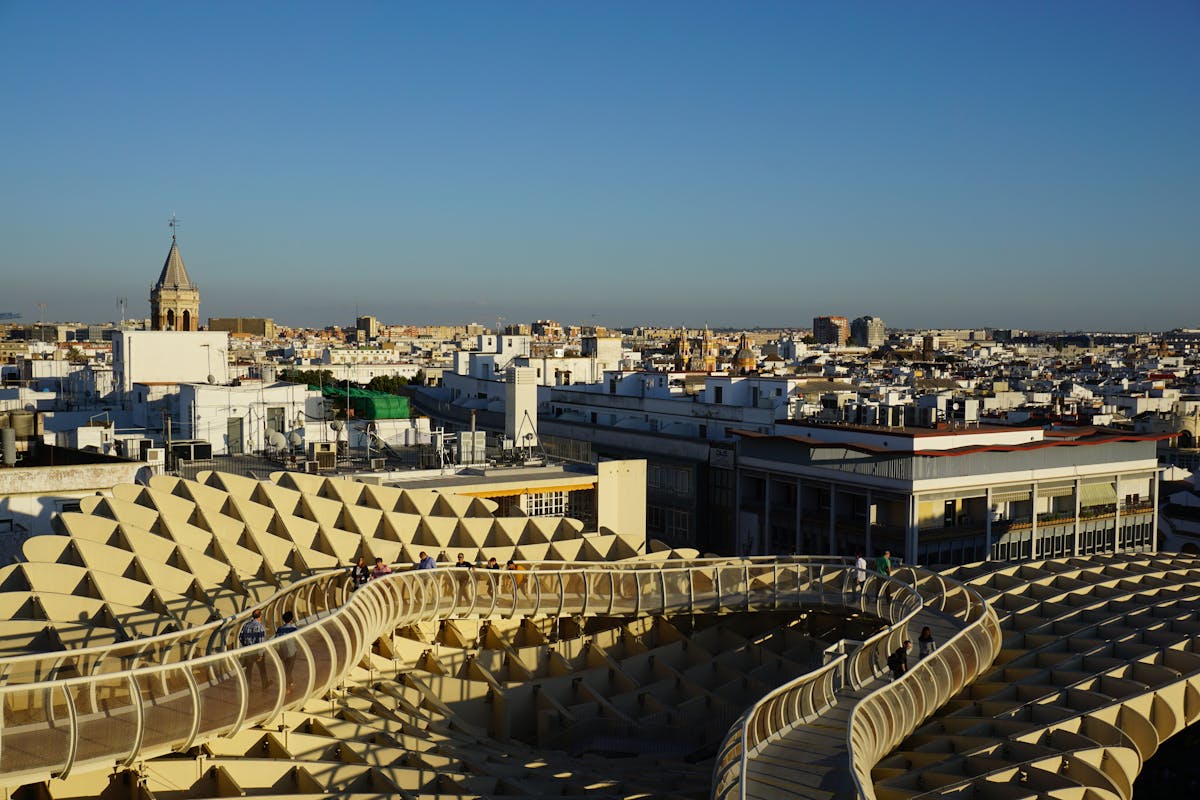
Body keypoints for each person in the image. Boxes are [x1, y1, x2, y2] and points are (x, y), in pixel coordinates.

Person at [238, 608, 270, 687]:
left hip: (248, 651)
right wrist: (261, 654)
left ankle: (248, 686)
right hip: (256, 651)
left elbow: (240, 637)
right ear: (260, 616)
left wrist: (246, 645)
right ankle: (265, 683)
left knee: (248, 670)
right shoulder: (260, 627)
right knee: (262, 668)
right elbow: (261, 641)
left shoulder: (246, 625)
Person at [275, 610, 299, 691]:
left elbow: (276, 640)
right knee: (288, 670)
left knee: (287, 668)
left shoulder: (279, 629)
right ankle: (287, 688)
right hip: (292, 652)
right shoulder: (294, 629)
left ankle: (291, 683)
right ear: (291, 619)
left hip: (283, 651)